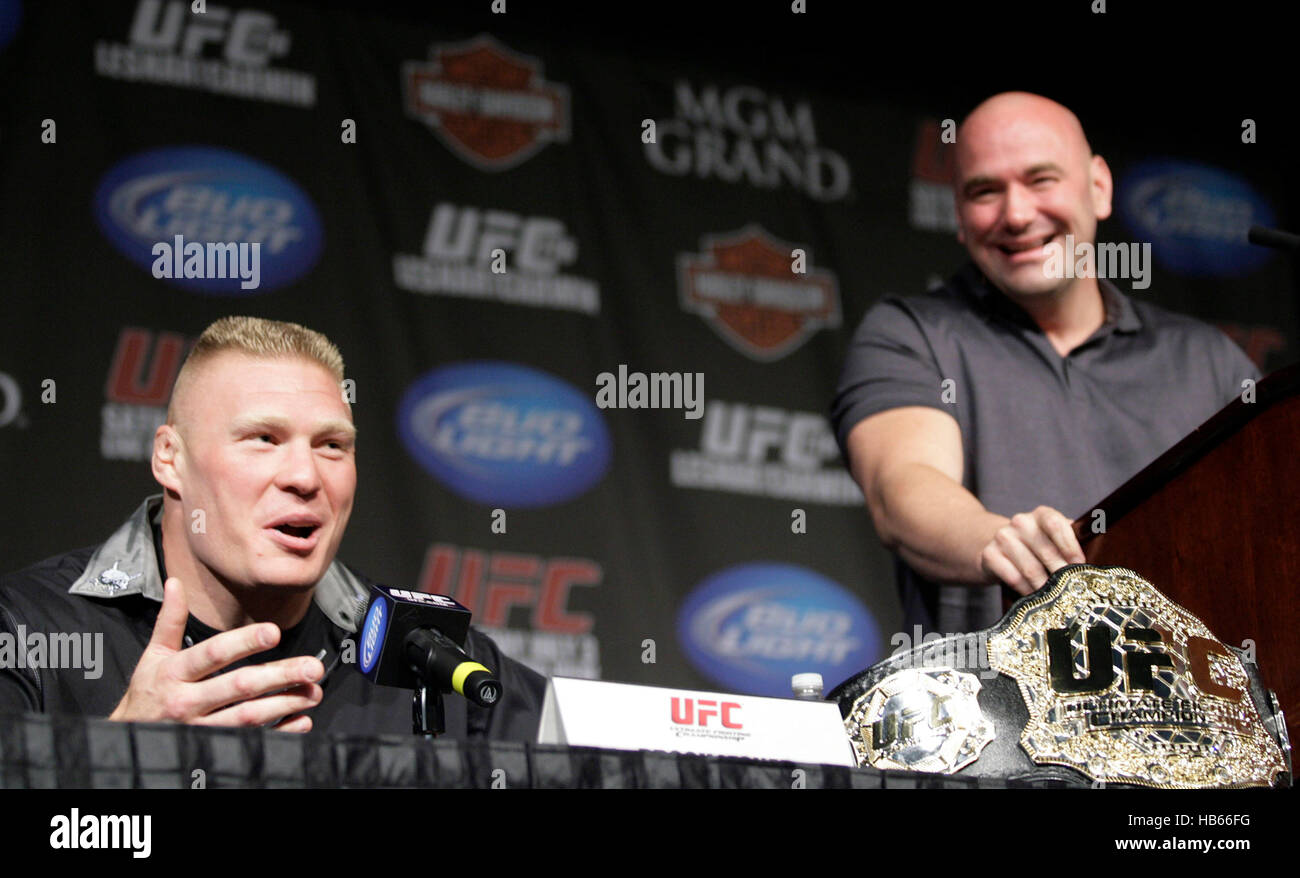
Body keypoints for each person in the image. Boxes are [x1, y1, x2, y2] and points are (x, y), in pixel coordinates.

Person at [831, 92, 1260, 636]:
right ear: (960, 217)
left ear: (1099, 188)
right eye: (985, 190)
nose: (1016, 214)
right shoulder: (912, 333)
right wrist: (1002, 541)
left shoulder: (1208, 361)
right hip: (991, 710)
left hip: (1195, 712)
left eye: (1041, 180)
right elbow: (905, 489)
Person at [0, 316, 544, 740]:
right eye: (263, 438)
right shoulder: (28, 633)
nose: (306, 477)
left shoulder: (431, 657)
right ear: (170, 458)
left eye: (332, 445)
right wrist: (115, 762)